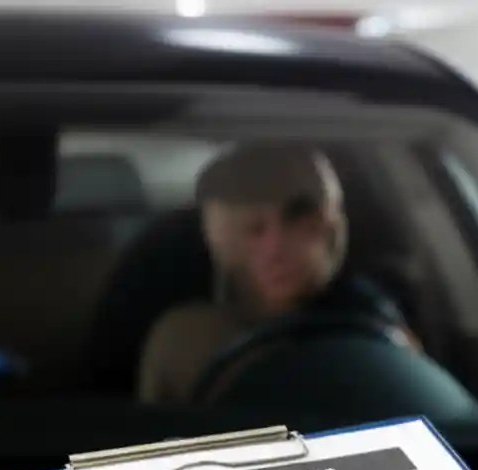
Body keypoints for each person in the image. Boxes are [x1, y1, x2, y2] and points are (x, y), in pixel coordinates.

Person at [138, 142, 415, 403]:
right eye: (253, 229)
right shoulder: (184, 340)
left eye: (296, 220)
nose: (275, 249)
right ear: (220, 237)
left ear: (330, 227)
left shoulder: (379, 323)